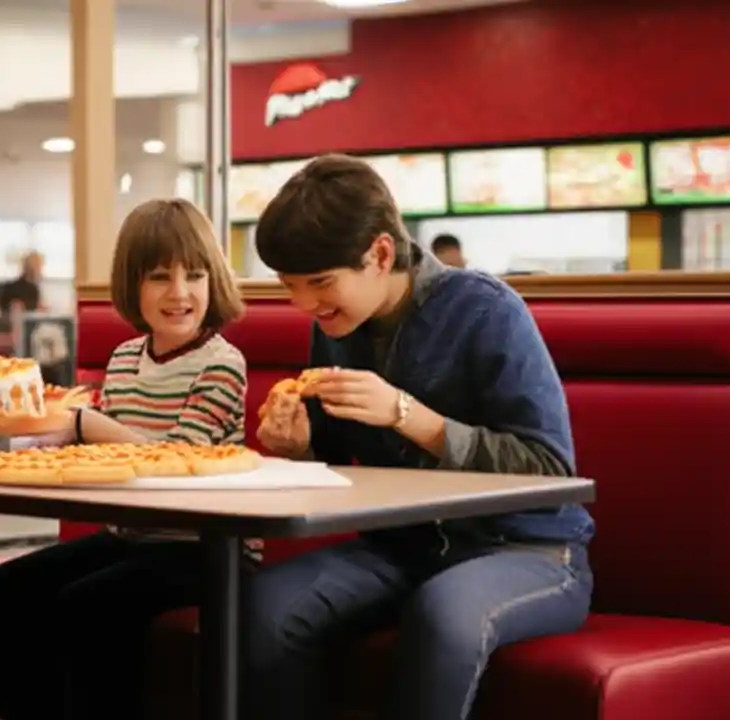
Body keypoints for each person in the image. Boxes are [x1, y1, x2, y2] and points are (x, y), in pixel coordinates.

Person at [247, 154, 594, 720]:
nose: (305, 304)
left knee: (442, 612)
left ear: (381, 253)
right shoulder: (335, 327)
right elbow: (339, 468)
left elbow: (553, 471)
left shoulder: (486, 311)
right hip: (401, 548)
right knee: (264, 608)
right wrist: (300, 448)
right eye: (290, 286)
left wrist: (410, 416)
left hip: (528, 551)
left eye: (320, 283)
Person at [0, 198, 248, 720]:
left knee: (88, 607)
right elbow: (97, 455)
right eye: (160, 276)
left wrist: (87, 424)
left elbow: (180, 464)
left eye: (196, 275)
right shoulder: (123, 358)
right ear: (132, 285)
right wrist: (38, 430)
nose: (180, 293)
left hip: (205, 548)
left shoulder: (223, 364)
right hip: (132, 536)